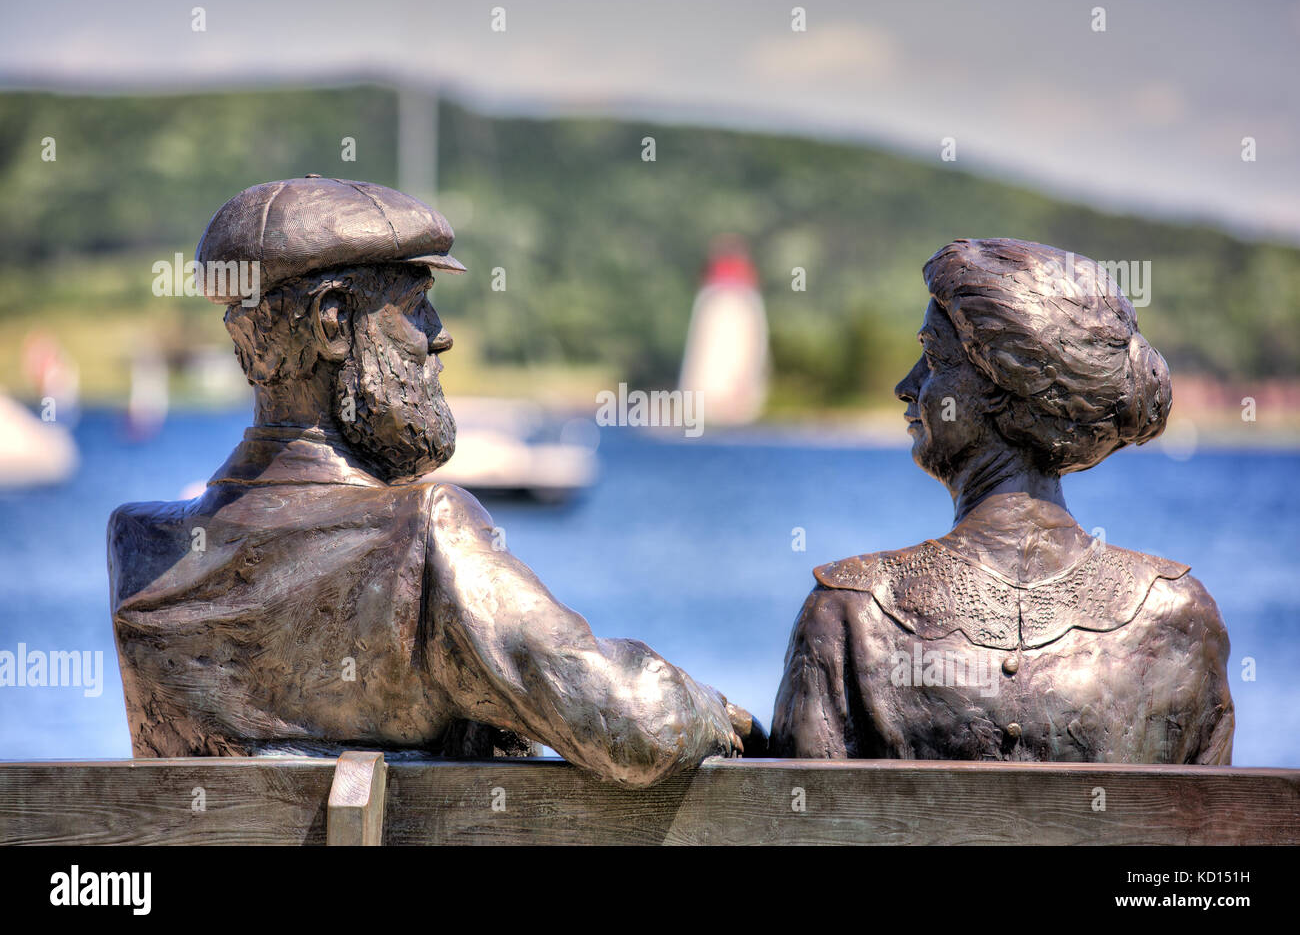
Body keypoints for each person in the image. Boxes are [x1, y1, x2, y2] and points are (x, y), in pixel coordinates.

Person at [109, 176, 763, 787]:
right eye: (418, 305)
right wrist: (715, 711)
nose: (440, 337)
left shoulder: (139, 547)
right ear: (333, 323)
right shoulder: (423, 533)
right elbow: (636, 726)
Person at [770, 238, 1233, 764]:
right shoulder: (1182, 619)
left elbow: (792, 817)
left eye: (932, 357)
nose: (906, 386)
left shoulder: (848, 614)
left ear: (1001, 384)